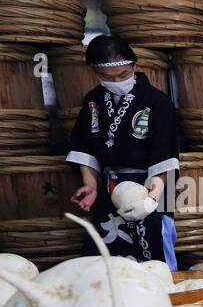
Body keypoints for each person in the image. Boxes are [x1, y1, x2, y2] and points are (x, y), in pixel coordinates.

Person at [66, 35, 180, 268]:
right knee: (105, 265)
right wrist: (90, 184)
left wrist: (151, 199)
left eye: (123, 75)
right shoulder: (93, 101)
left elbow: (165, 156)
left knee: (154, 261)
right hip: (109, 193)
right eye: (106, 77)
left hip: (149, 188)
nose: (116, 81)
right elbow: (84, 147)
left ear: (134, 66)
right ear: (95, 72)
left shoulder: (156, 101)